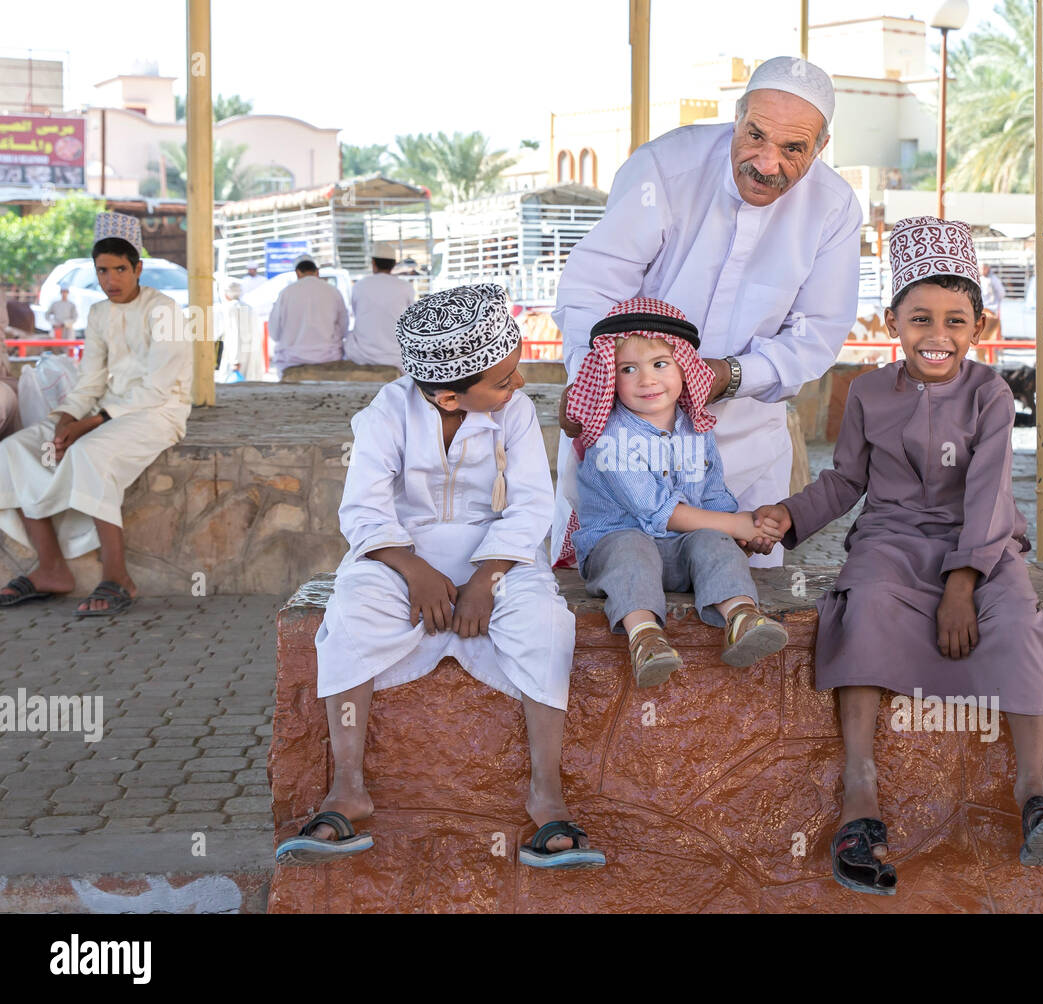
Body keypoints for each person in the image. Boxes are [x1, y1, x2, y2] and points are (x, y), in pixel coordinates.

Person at [753, 216, 1043, 895]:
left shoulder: (990, 394)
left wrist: (962, 583)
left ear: (980, 327)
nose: (938, 336)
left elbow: (991, 493)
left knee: (1019, 617)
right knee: (862, 604)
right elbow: (848, 481)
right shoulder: (869, 393)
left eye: (956, 321)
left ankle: (1035, 794)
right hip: (892, 539)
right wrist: (789, 516)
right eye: (920, 319)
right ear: (892, 320)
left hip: (983, 543)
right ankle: (860, 799)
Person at [274, 283, 604, 870]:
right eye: (503, 380)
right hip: (400, 554)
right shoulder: (387, 411)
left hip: (499, 554)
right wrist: (416, 571)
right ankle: (347, 789)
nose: (519, 385)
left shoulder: (517, 413)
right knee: (350, 612)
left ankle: (547, 797)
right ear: (449, 397)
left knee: (544, 622)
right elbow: (364, 510)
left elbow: (531, 506)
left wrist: (487, 579)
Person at [551, 55, 862, 570]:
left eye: (793, 149)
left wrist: (728, 376)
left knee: (739, 597)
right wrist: (590, 378)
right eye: (756, 136)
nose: (766, 163)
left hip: (742, 448)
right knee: (612, 592)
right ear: (737, 117)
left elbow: (816, 335)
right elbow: (593, 290)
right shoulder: (665, 168)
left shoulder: (833, 207)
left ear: (821, 147)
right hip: (626, 435)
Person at [562, 297, 788, 687]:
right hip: (616, 551)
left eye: (660, 364)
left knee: (714, 541)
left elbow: (715, 497)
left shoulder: (697, 429)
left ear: (685, 367)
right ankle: (645, 637)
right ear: (609, 378)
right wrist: (740, 524)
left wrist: (740, 535)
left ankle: (741, 617)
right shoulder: (611, 438)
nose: (647, 380)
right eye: (627, 369)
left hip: (679, 552)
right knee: (631, 547)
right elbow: (658, 511)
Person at [0, 212, 193, 615]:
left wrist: (89, 425)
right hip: (103, 410)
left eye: (120, 269)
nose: (111, 280)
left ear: (138, 268)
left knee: (90, 453)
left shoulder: (166, 310)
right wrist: (64, 420)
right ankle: (51, 568)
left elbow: (157, 389)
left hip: (158, 413)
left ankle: (117, 575)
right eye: (102, 271)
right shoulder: (99, 314)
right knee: (15, 450)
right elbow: (89, 382)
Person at [267, 255, 346, 372]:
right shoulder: (333, 291)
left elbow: (274, 333)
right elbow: (343, 327)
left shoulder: (286, 293)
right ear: (317, 272)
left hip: (291, 360)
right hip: (327, 357)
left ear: (298, 273)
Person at [343, 242, 415, 366]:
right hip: (396, 357)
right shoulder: (406, 287)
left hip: (363, 356)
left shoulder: (359, 286)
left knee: (349, 338)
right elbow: (411, 320)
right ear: (393, 265)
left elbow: (356, 313)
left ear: (373, 263)